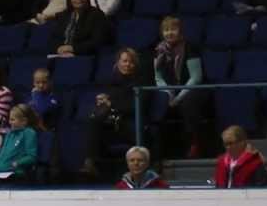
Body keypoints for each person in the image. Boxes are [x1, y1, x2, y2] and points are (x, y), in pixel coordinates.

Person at [83, 48, 151, 180]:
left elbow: (136, 106)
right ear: (118, 63)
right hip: (114, 121)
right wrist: (103, 100)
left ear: (135, 64)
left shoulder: (141, 81)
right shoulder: (112, 80)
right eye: (125, 61)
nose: (127, 64)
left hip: (132, 122)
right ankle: (90, 164)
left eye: (131, 62)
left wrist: (111, 104)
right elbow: (111, 100)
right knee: (93, 122)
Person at [154, 16, 209, 158]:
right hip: (170, 89)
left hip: (193, 88)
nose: (169, 33)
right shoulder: (159, 50)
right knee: (158, 100)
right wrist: (168, 93)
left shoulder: (190, 47)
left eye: (173, 29)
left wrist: (178, 98)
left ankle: (194, 144)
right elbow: (158, 78)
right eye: (166, 30)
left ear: (181, 31)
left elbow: (196, 78)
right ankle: (158, 149)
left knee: (188, 102)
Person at [48, 0, 112, 57]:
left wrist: (73, 49)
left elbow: (97, 41)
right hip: (61, 55)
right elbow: (53, 39)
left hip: (85, 56)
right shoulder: (64, 15)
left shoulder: (97, 14)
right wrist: (58, 49)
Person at [0, 105, 38, 186]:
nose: (9, 122)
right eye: (9, 119)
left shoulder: (29, 133)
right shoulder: (9, 134)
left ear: (24, 121)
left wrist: (18, 163)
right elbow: (2, 152)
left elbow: (32, 156)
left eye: (13, 120)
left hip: (16, 174)